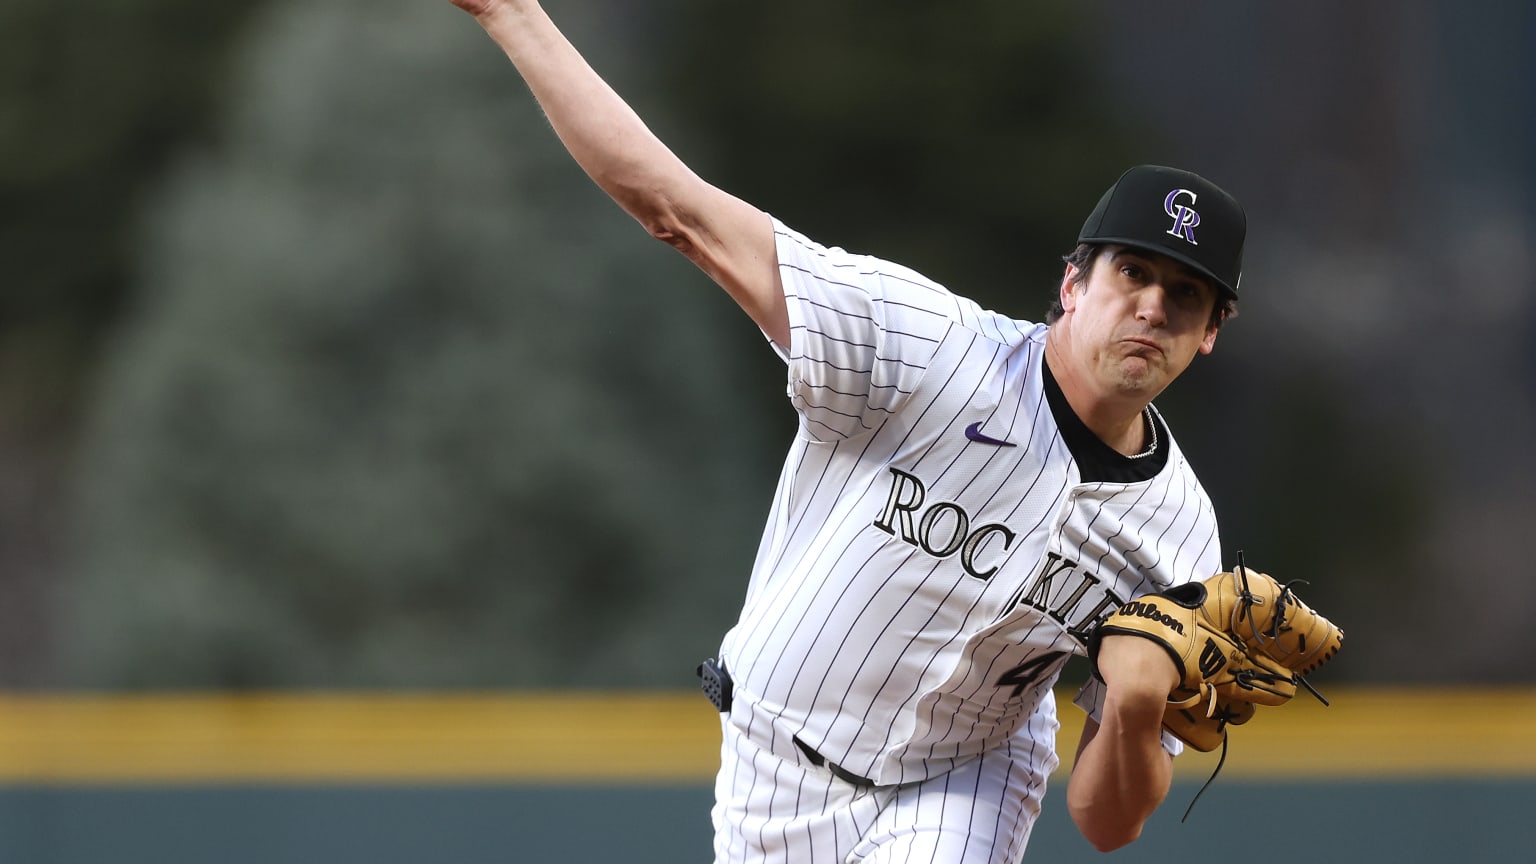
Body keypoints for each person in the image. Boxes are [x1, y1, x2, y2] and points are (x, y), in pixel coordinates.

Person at [444, 1, 1247, 859]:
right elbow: (677, 210)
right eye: (1133, 271)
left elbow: (1105, 822)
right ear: (1073, 285)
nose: (1153, 307)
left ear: (1209, 332)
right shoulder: (925, 348)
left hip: (964, 780)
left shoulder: (1179, 536)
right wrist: (510, 13)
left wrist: (1128, 716)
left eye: (1186, 294)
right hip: (771, 763)